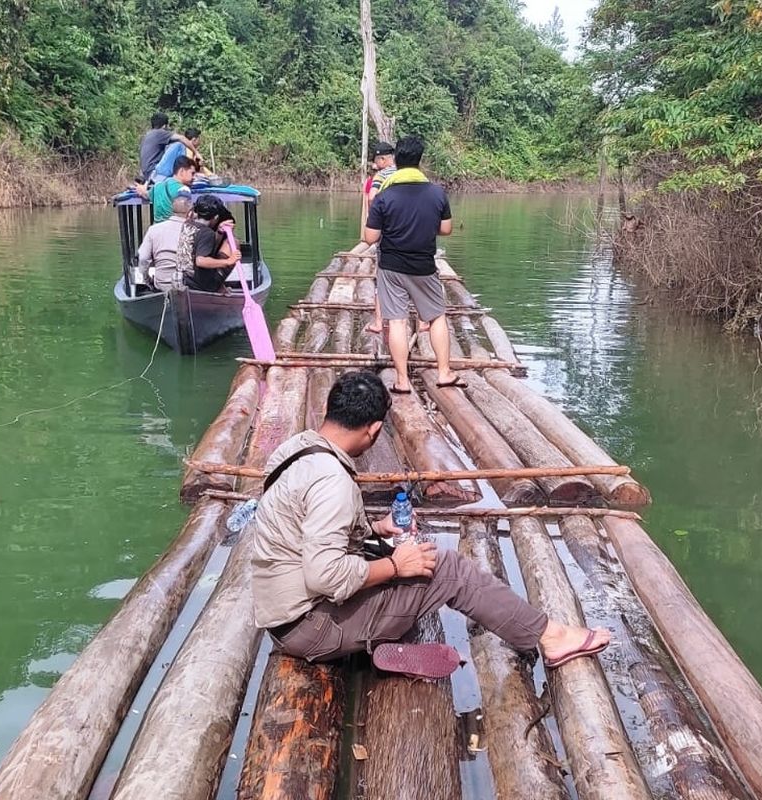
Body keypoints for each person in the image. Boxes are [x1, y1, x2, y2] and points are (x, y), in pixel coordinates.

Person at [251, 371, 611, 667]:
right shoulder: (333, 481)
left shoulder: (298, 448)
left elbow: (302, 527)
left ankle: (382, 635)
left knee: (402, 556)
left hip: (285, 616)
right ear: (374, 430)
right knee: (449, 570)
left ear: (330, 410)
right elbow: (325, 576)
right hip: (310, 628)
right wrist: (396, 566)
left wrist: (376, 529)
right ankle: (551, 636)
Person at [362, 136, 462, 393]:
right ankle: (443, 372)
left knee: (397, 321)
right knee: (436, 317)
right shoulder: (437, 193)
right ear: (420, 160)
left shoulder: (384, 196)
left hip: (391, 267)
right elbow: (446, 229)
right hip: (423, 266)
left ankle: (402, 380)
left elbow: (369, 237)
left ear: (396, 160)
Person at [361, 141, 397, 334]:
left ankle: (378, 322)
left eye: (377, 160)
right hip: (409, 232)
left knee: (382, 277)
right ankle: (423, 322)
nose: (376, 164)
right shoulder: (404, 173)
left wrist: (374, 220)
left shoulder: (381, 175)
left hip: (387, 232)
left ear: (383, 159)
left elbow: (371, 197)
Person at [178, 195, 241, 293]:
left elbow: (205, 246)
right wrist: (228, 261)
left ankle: (219, 286)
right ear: (216, 217)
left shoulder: (187, 224)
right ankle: (218, 287)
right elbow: (200, 261)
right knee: (233, 242)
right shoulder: (207, 233)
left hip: (184, 279)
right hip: (202, 284)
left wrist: (219, 232)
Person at [137, 195, 192, 290]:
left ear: (172, 211)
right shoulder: (194, 231)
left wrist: (146, 279)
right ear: (190, 213)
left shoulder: (154, 229)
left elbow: (143, 258)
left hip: (162, 284)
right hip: (187, 286)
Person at [138, 113, 197, 182]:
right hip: (155, 173)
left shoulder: (148, 135)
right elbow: (182, 138)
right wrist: (196, 153)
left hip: (146, 173)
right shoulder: (159, 133)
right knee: (180, 145)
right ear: (164, 126)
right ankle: (183, 174)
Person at [136, 156, 195, 222]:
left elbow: (146, 194)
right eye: (192, 173)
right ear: (182, 171)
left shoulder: (157, 186)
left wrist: (140, 188)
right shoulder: (183, 189)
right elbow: (188, 215)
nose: (194, 177)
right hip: (174, 226)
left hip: (157, 227)